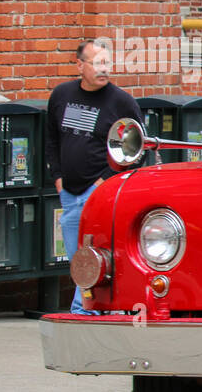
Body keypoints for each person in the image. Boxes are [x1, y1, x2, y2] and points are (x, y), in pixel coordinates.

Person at [45, 39, 142, 313]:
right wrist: (58, 178)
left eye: (107, 63)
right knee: (79, 259)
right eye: (97, 63)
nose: (104, 69)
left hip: (101, 192)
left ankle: (84, 310)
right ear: (79, 65)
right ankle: (91, 307)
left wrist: (103, 181)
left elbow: (136, 147)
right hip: (70, 193)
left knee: (99, 256)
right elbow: (51, 139)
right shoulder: (61, 95)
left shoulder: (122, 102)